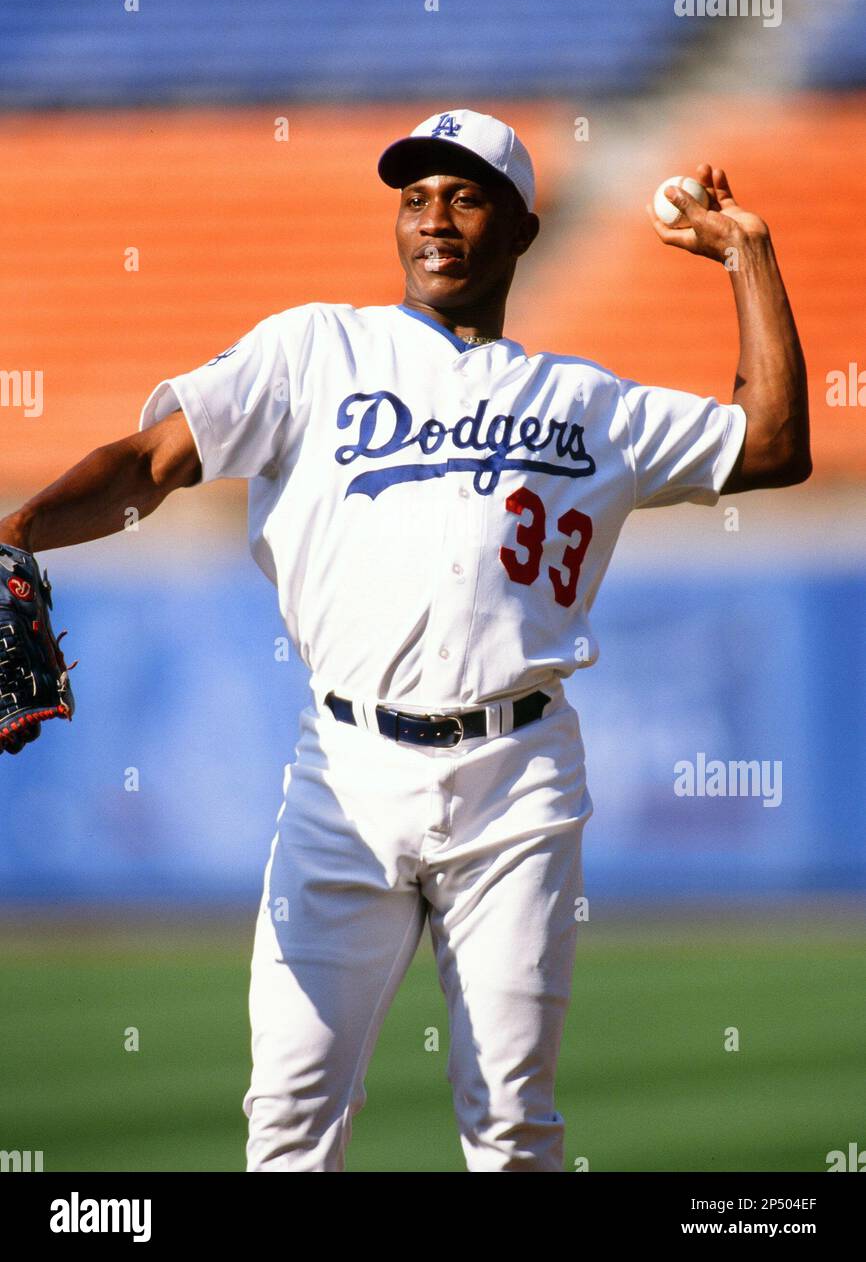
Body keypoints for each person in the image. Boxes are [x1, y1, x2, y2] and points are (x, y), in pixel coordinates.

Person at [0, 109, 810, 1171]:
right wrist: (14, 533)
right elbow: (151, 461)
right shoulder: (314, 348)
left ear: (521, 229)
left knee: (512, 1126)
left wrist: (746, 253)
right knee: (288, 1120)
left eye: (465, 197)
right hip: (342, 774)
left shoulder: (585, 401)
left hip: (517, 778)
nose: (434, 219)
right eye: (415, 196)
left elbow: (771, 443)